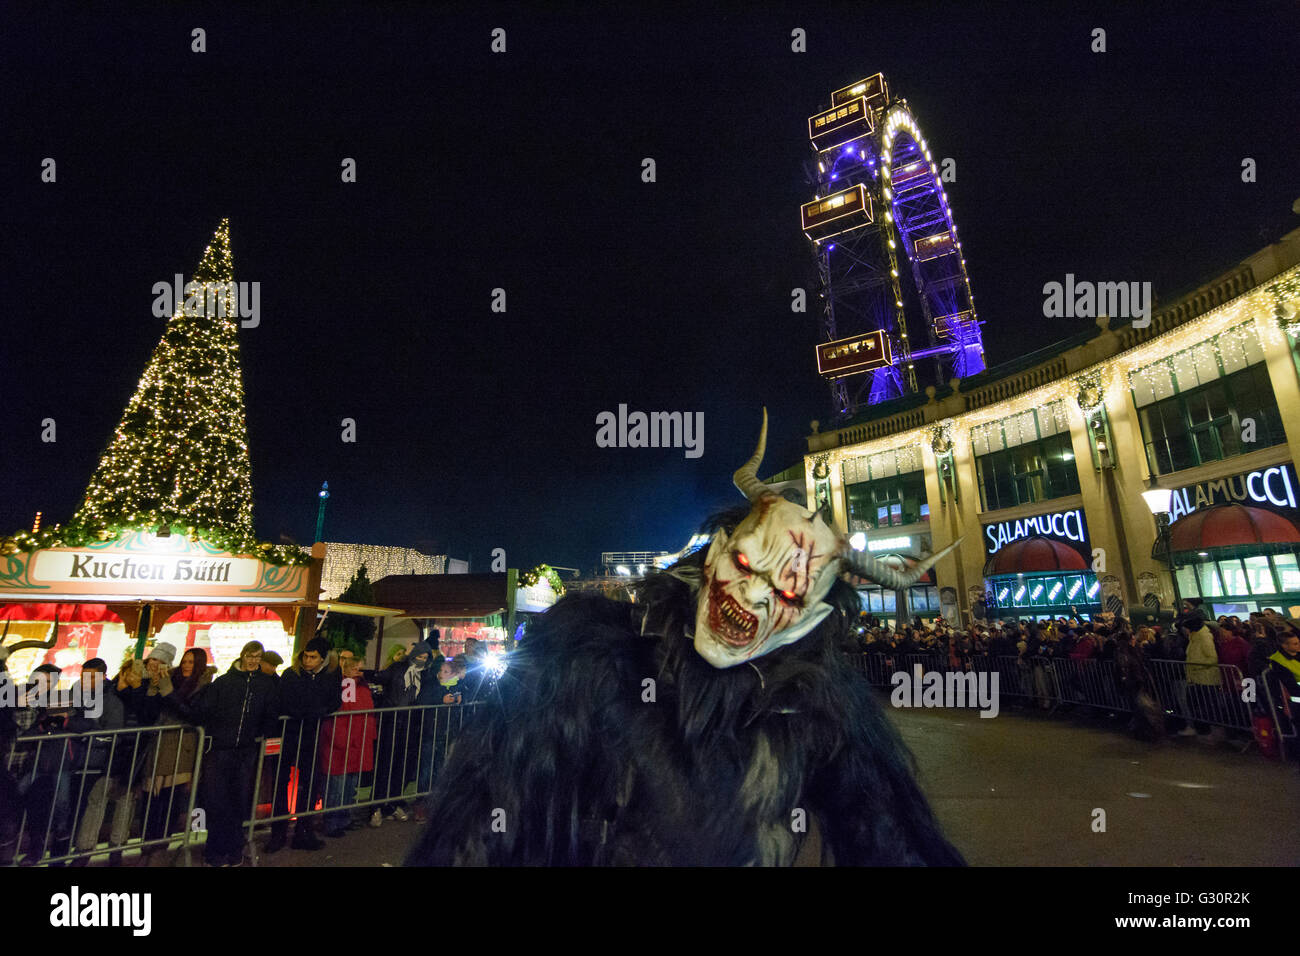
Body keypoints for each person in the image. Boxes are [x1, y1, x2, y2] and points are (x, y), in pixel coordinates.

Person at [189, 641, 281, 867]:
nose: (253, 661)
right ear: (243, 656)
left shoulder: (264, 685)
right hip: (221, 748)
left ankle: (233, 848)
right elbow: (205, 711)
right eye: (250, 656)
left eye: (257, 657)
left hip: (246, 749)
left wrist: (263, 732)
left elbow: (271, 712)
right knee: (218, 801)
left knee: (239, 801)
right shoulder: (224, 682)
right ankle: (215, 850)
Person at [265, 636, 342, 853]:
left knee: (309, 783)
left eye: (313, 657)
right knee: (281, 782)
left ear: (323, 659)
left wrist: (319, 711)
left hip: (310, 734)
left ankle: (303, 830)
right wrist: (310, 712)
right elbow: (286, 702)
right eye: (306, 656)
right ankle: (278, 832)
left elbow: (334, 701)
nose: (308, 661)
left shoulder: (330, 675)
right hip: (289, 733)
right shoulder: (292, 674)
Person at [371, 640, 435, 826]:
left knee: (402, 765)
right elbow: (380, 677)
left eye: (425, 658)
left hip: (410, 724)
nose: (421, 660)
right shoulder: (398, 668)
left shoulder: (426, 675)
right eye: (419, 656)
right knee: (386, 764)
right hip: (392, 721)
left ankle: (393, 802)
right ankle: (377, 805)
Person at [318, 655, 378, 837]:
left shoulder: (360, 686)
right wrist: (342, 738)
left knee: (350, 784)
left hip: (357, 740)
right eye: (356, 668)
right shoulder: (343, 686)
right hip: (344, 740)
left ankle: (343, 818)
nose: (359, 672)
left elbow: (367, 713)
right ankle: (332, 821)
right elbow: (341, 712)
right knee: (338, 784)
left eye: (360, 668)